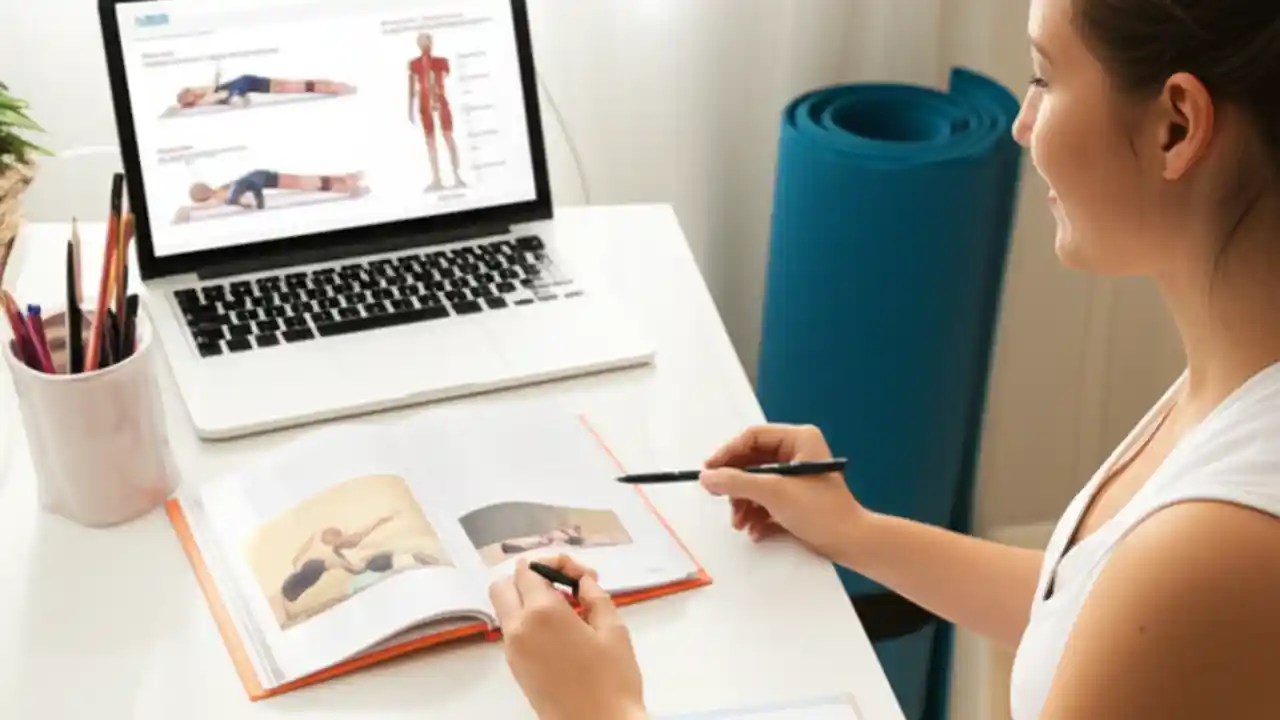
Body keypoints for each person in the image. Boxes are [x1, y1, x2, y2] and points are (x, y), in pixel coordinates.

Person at [488, 0, 1280, 717]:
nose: (1023, 123)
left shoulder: (1213, 550)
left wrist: (598, 709)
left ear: (1176, 126)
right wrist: (855, 531)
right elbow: (1086, 611)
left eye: (1045, 76)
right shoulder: (1239, 383)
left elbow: (1156, 607)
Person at [174, 170, 366, 223]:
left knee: (305, 183)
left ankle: (349, 185)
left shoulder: (223, 196)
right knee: (304, 182)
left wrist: (253, 204)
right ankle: (348, 181)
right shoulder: (222, 191)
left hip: (262, 179)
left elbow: (210, 206)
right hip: (261, 177)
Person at [409, 32, 465, 191]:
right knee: (431, 141)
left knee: (447, 137)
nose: (425, 46)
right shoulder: (414, 64)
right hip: (425, 104)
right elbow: (413, 86)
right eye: (421, 42)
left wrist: (434, 91)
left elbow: (442, 78)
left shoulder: (441, 61)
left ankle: (456, 175)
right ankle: (436, 179)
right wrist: (410, 109)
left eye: (427, 42)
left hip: (440, 101)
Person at [175, 69, 355, 110]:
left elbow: (214, 88)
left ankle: (330, 86)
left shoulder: (202, 92)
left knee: (290, 84)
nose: (192, 93)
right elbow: (218, 95)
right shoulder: (203, 100)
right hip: (239, 88)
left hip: (244, 84)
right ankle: (330, 86)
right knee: (290, 86)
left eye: (189, 92)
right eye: (189, 96)